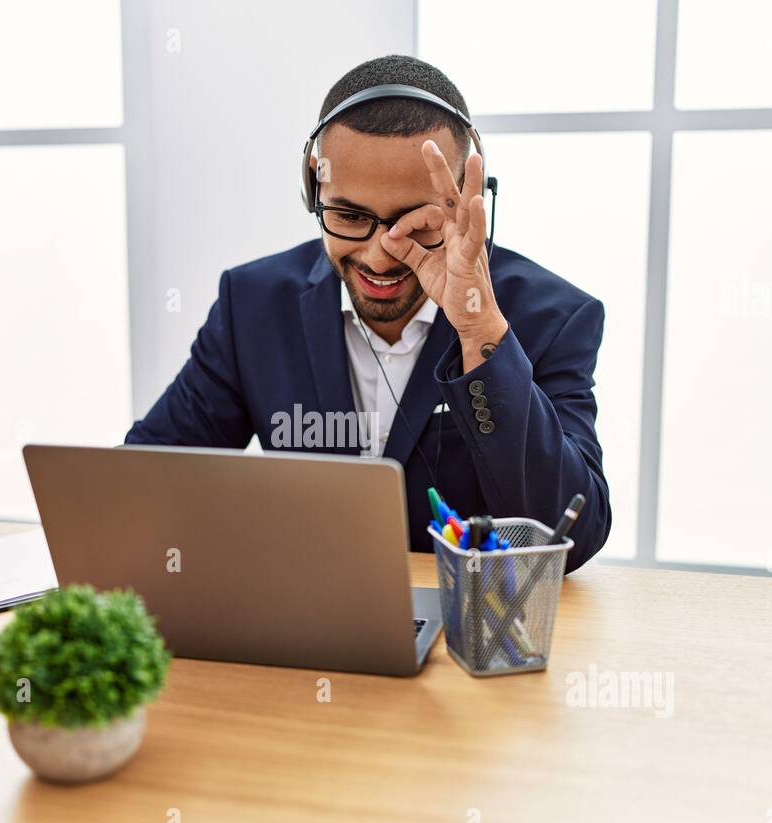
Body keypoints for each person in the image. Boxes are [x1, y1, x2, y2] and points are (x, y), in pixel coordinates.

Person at [126, 55, 611, 569]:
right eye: (349, 215)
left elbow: (573, 538)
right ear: (314, 195)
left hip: (473, 631)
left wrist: (479, 333)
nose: (381, 255)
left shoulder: (553, 318)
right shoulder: (252, 306)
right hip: (309, 622)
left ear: (469, 201)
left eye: (416, 221)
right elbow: (141, 486)